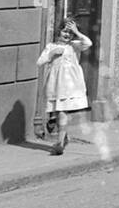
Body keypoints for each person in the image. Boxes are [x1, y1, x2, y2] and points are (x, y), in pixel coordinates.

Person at [36, 18, 92, 154]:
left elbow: (88, 43)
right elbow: (40, 62)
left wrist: (77, 32)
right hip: (55, 85)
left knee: (62, 111)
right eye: (64, 31)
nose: (67, 35)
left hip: (70, 85)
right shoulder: (51, 46)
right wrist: (51, 54)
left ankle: (60, 143)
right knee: (59, 111)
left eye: (70, 33)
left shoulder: (74, 46)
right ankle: (63, 136)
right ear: (58, 31)